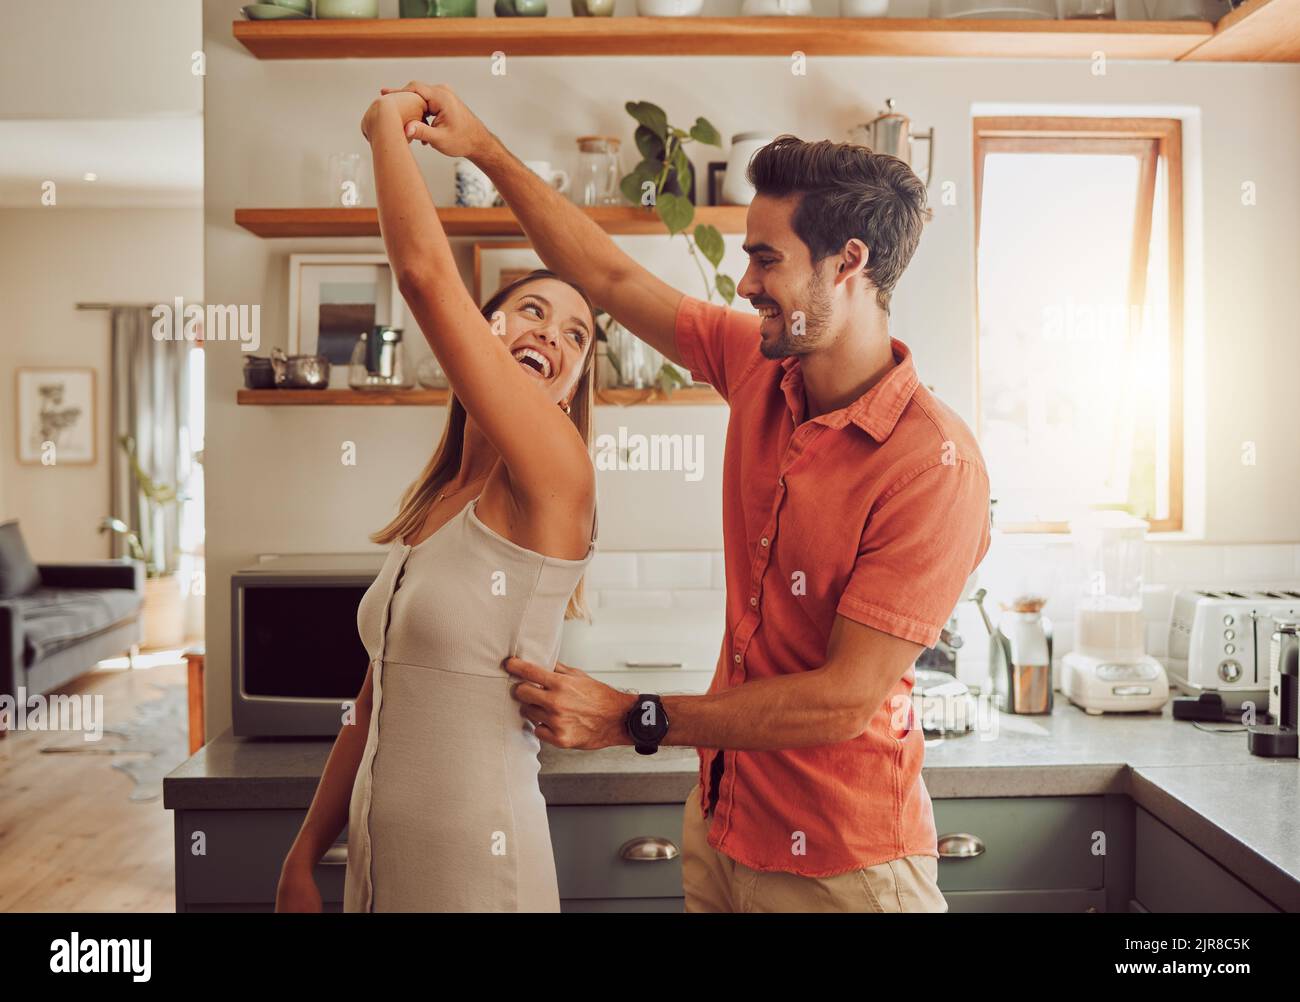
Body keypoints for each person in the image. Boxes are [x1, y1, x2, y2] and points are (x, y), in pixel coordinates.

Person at [393, 82, 991, 913]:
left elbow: (842, 699)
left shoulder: (935, 465)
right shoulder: (759, 362)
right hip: (722, 827)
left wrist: (632, 718)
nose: (744, 283)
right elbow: (601, 272)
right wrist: (487, 151)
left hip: (845, 868)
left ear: (847, 264)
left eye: (766, 259)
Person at [275, 90, 598, 913]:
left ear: (570, 391)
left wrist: (385, 122)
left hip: (479, 875)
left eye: (576, 336)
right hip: (379, 870)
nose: (552, 337)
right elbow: (373, 698)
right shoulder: (437, 506)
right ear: (482, 337)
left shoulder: (554, 473)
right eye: (532, 310)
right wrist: (306, 852)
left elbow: (422, 274)